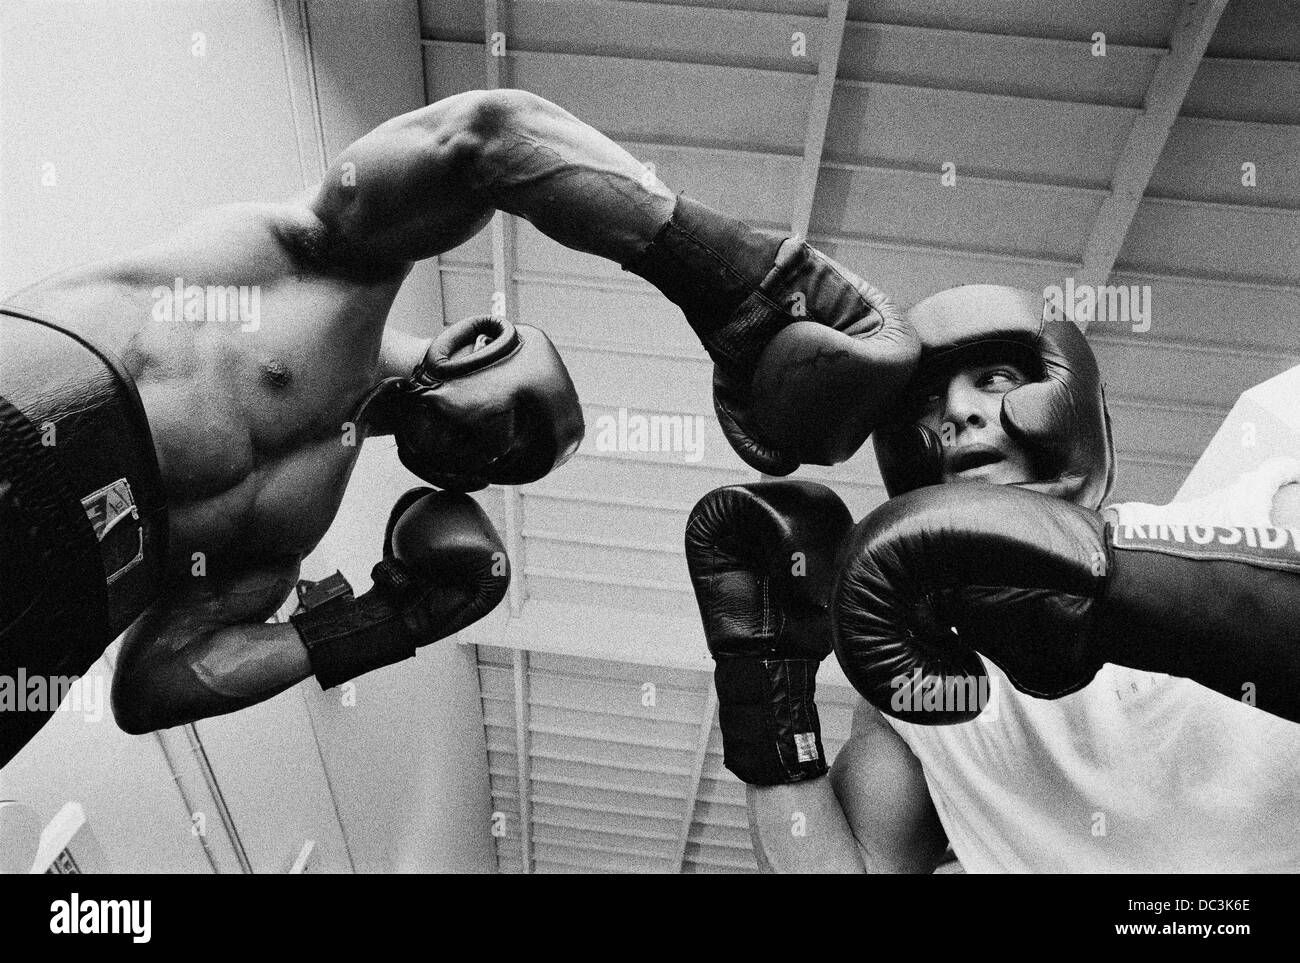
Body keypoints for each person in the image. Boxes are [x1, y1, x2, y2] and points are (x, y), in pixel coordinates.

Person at [1, 87, 911, 764]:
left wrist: (379, 625)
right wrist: (726, 280)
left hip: (49, 622)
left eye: (512, 468)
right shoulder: (336, 261)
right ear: (479, 338)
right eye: (513, 421)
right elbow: (489, 138)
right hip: (25, 415)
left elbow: (151, 682)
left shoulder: (298, 523)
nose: (494, 458)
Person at [686, 284, 1300, 872]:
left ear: (1072, 403)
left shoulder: (1257, 513)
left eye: (997, 380)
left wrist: (1107, 582)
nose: (957, 412)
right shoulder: (923, 676)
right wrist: (762, 677)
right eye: (927, 400)